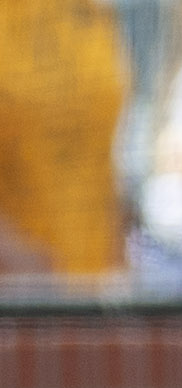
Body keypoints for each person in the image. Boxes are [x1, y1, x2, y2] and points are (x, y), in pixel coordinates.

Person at [0, 0, 130, 277]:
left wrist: (121, 265)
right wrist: (16, 255)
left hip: (90, 288)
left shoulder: (94, 12)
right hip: (19, 295)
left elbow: (103, 154)